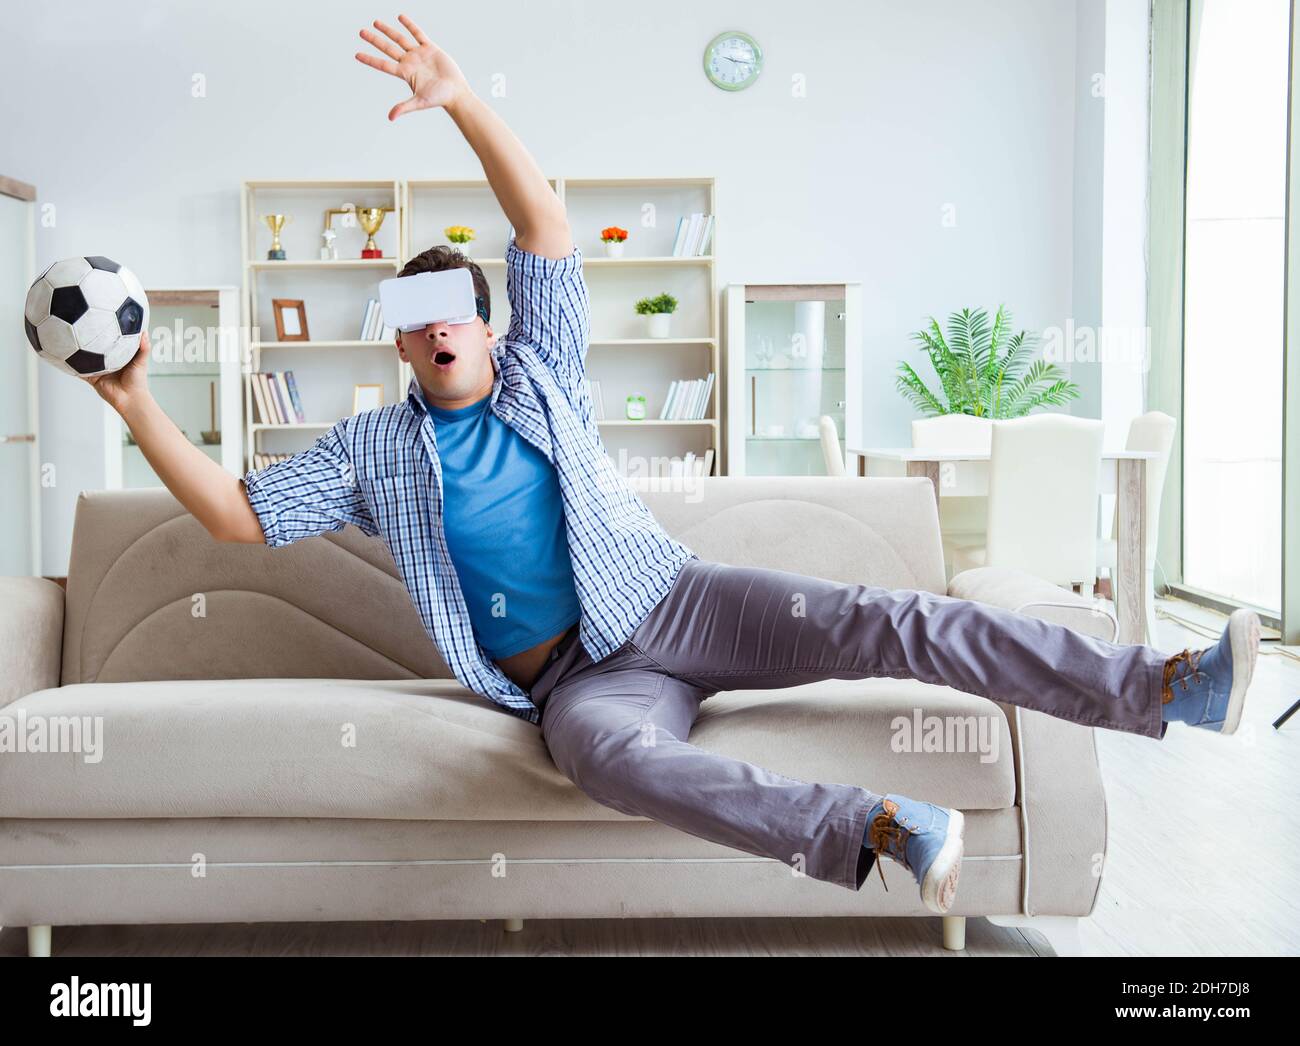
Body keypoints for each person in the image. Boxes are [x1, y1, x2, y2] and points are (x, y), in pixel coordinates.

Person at [86, 14, 1261, 916]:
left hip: (681, 599)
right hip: (576, 680)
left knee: (888, 614)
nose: (440, 325)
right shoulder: (372, 450)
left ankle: (1162, 687)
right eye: (416, 311)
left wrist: (459, 100)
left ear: (489, 325)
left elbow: (542, 224)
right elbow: (239, 514)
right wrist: (137, 397)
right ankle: (883, 827)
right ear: (397, 334)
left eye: (459, 306)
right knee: (606, 756)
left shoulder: (544, 369)